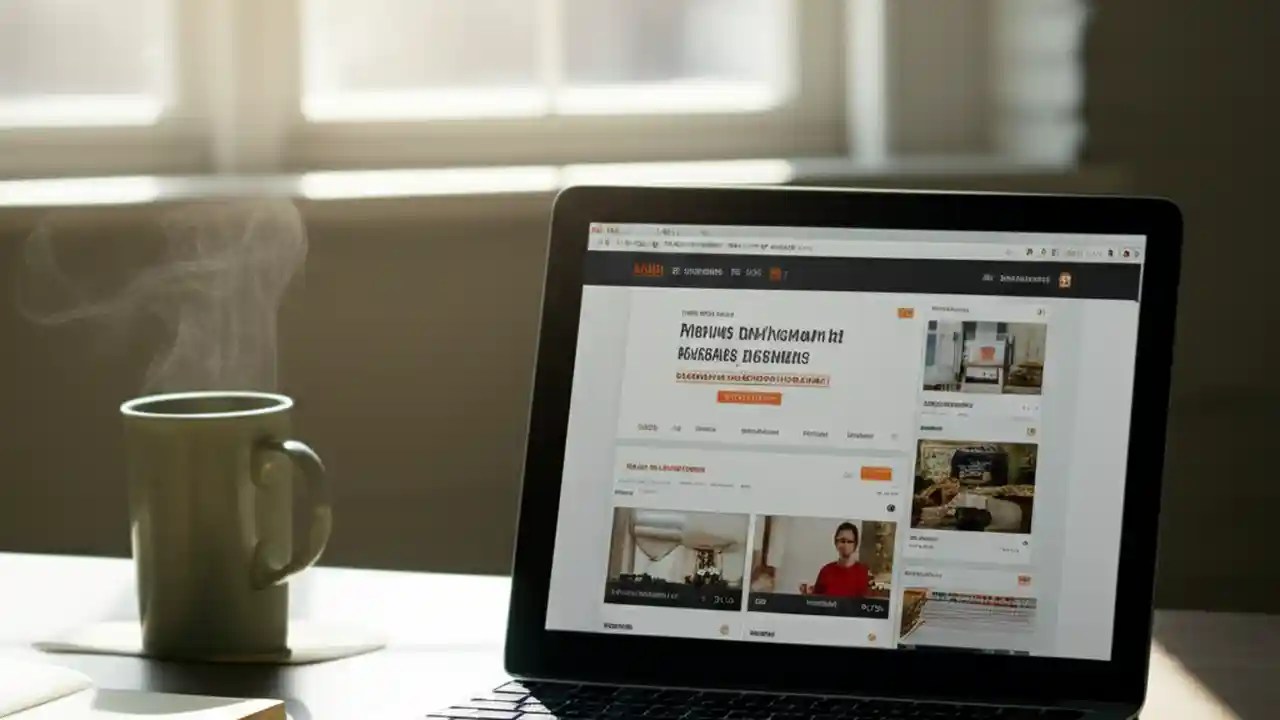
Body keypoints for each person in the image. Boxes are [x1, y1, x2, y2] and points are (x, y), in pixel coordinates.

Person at [800, 522, 870, 598]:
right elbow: (816, 600)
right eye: (842, 541)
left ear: (855, 545)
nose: (845, 545)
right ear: (836, 543)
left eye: (849, 541)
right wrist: (807, 594)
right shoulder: (826, 571)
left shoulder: (864, 572)